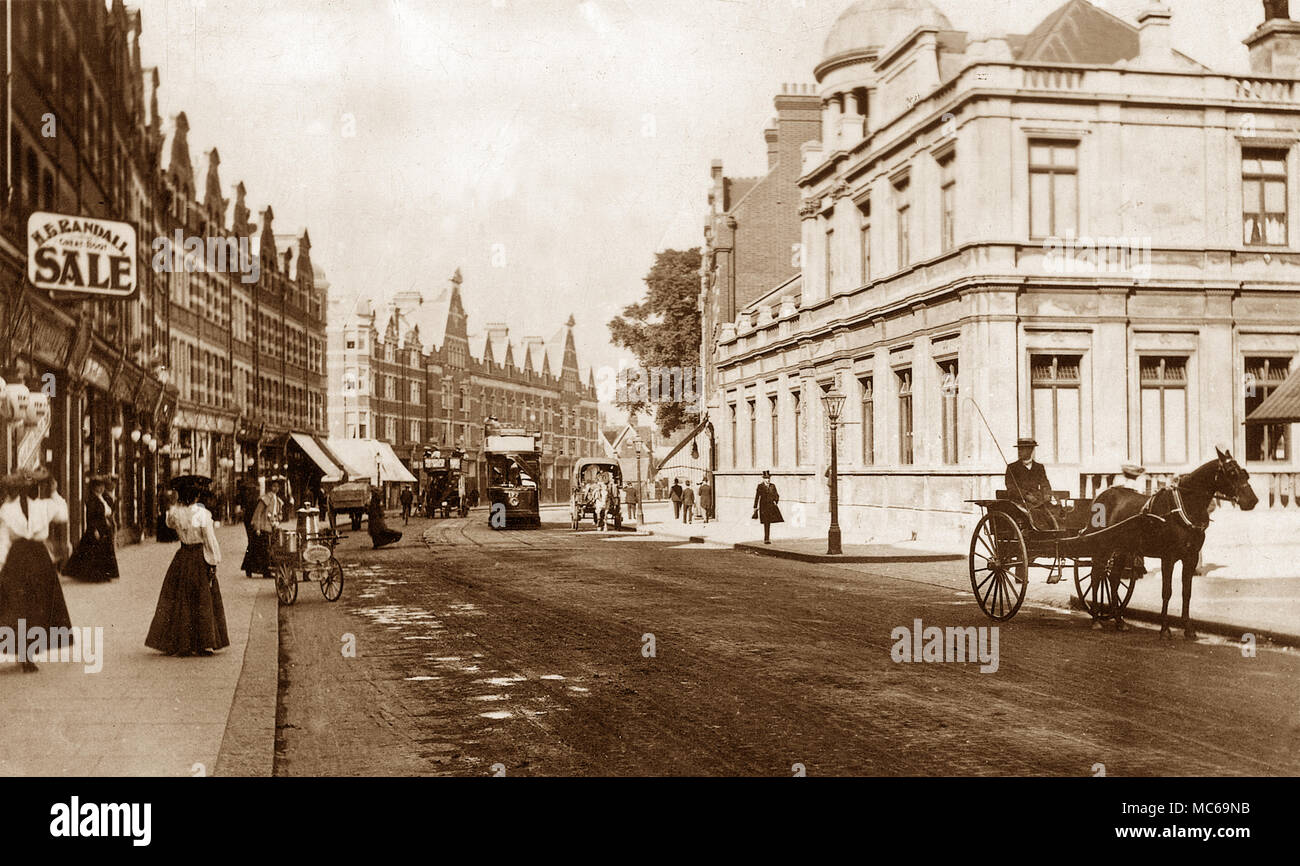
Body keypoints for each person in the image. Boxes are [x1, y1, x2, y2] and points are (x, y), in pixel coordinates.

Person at [145, 475, 229, 657]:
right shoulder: (201, 514)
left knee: (179, 598)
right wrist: (214, 560)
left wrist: (176, 505)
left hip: (182, 556)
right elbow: (208, 538)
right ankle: (203, 642)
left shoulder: (175, 513)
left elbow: (169, 524)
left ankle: (180, 641)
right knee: (202, 598)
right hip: (199, 556)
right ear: (196, 497)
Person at [0, 469, 74, 672]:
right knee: (31, 605)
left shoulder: (9, 510)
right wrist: (54, 492)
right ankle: (26, 654)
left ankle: (25, 653)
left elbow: (3, 540)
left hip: (21, 559)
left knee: (23, 605)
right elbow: (63, 514)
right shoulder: (40, 506)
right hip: (34, 559)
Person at [64, 475, 120, 582]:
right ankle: (95, 576)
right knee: (95, 553)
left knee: (104, 552)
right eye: (98, 486)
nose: (101, 489)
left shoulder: (102, 498)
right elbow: (90, 517)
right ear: (93, 487)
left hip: (105, 528)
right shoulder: (92, 500)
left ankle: (105, 575)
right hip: (97, 529)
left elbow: (108, 511)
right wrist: (94, 530)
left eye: (102, 486)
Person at [1004, 436, 1059, 531]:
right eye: (1019, 449)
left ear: (1030, 450)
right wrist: (1026, 495)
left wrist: (1047, 494)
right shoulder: (1012, 468)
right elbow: (1011, 488)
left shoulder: (1039, 467)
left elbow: (1045, 483)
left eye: (1023, 449)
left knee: (1056, 510)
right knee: (1034, 512)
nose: (1019, 451)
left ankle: (1057, 533)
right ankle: (1043, 534)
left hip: (1038, 500)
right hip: (1020, 501)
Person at [242, 478, 283, 578]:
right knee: (258, 549)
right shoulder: (265, 498)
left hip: (271, 526)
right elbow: (258, 513)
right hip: (263, 527)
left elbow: (279, 513)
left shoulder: (278, 500)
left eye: (277, 486)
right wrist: (257, 528)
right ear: (270, 487)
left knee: (267, 549)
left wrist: (278, 519)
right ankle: (258, 570)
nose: (276, 488)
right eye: (274, 486)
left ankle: (265, 569)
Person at [753, 470, 783, 544]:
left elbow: (777, 495)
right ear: (763, 479)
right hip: (763, 507)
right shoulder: (760, 486)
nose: (768, 479)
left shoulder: (773, 486)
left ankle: (767, 538)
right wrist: (755, 507)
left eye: (769, 478)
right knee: (766, 522)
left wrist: (776, 501)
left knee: (768, 522)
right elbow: (757, 497)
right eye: (766, 478)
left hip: (771, 507)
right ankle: (766, 539)